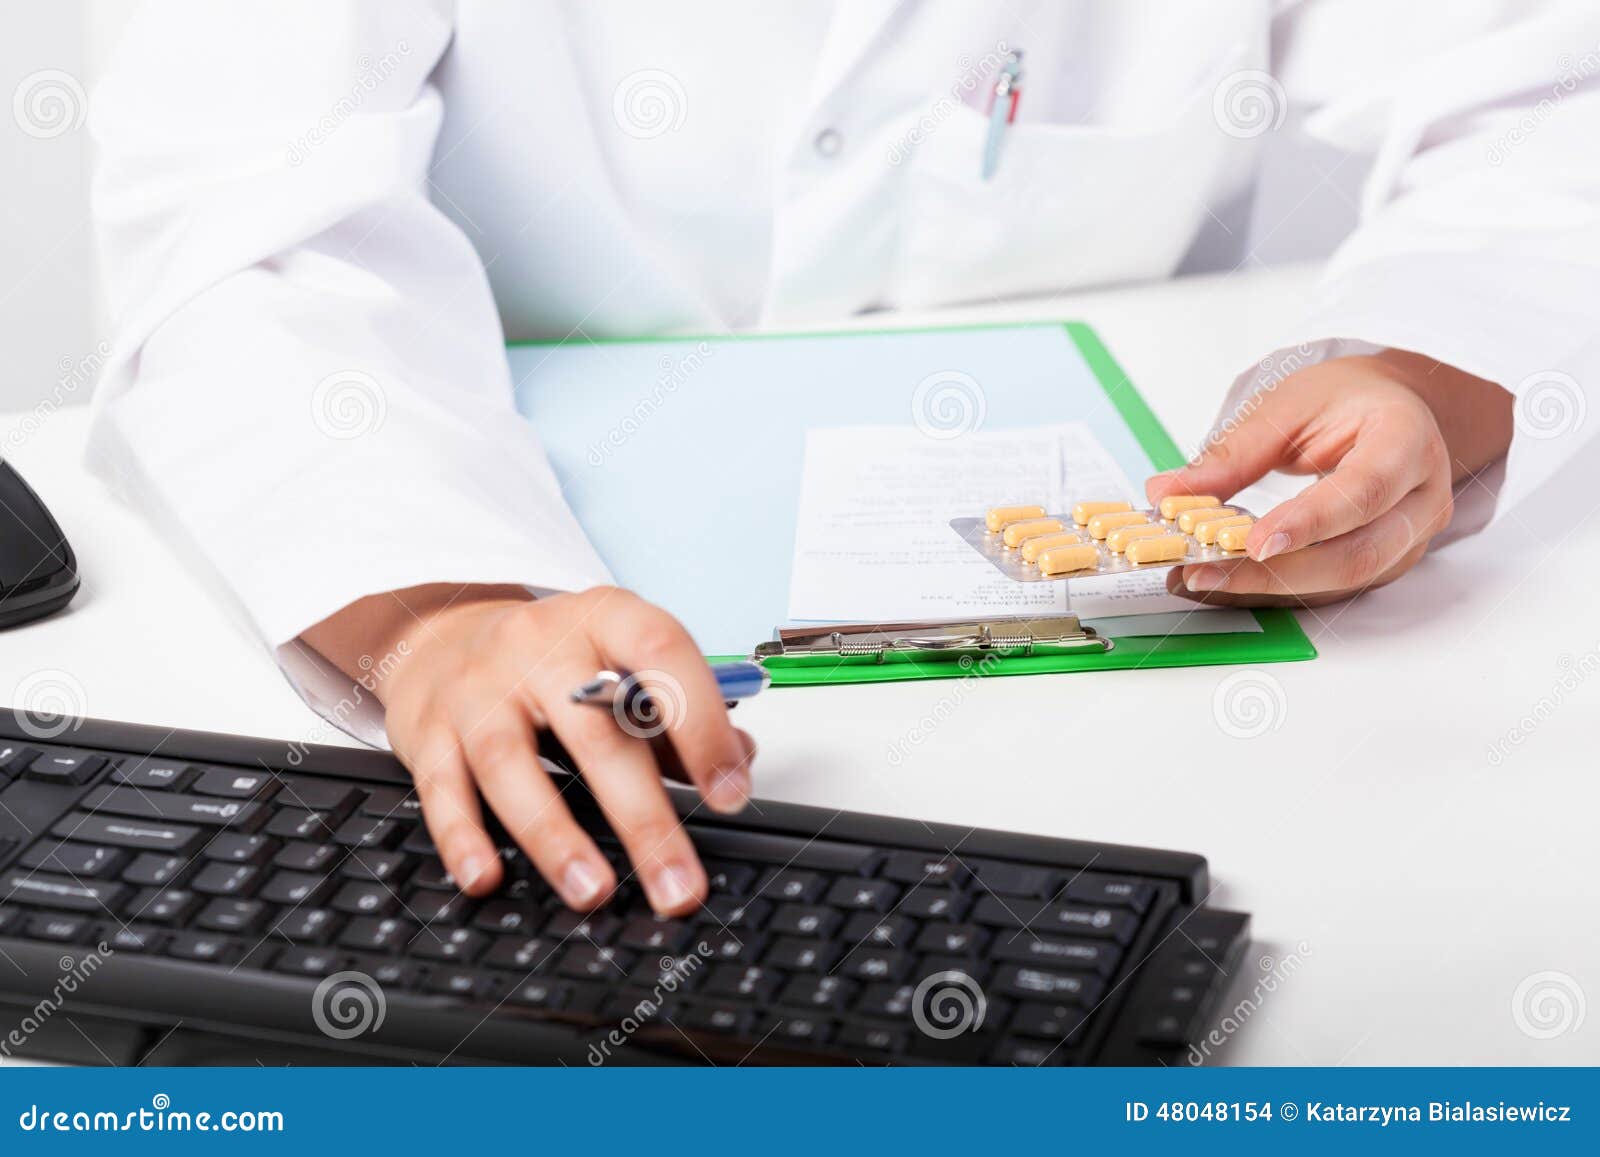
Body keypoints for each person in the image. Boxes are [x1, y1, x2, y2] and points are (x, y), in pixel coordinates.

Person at [88, 1, 1598, 914]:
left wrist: (1419, 369)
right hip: (546, 614)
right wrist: (439, 611)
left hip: (1174, 699)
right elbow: (240, 221)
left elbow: (1543, 100)